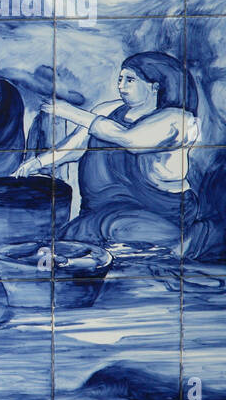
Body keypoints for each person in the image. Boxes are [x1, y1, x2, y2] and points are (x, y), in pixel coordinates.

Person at [13, 52, 200, 252]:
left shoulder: (177, 119)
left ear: (154, 87)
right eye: (120, 79)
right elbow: (75, 147)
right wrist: (37, 163)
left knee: (116, 229)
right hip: (98, 214)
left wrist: (69, 112)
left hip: (157, 214)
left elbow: (129, 139)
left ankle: (179, 243)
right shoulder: (107, 110)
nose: (121, 86)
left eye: (130, 80)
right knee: (68, 239)